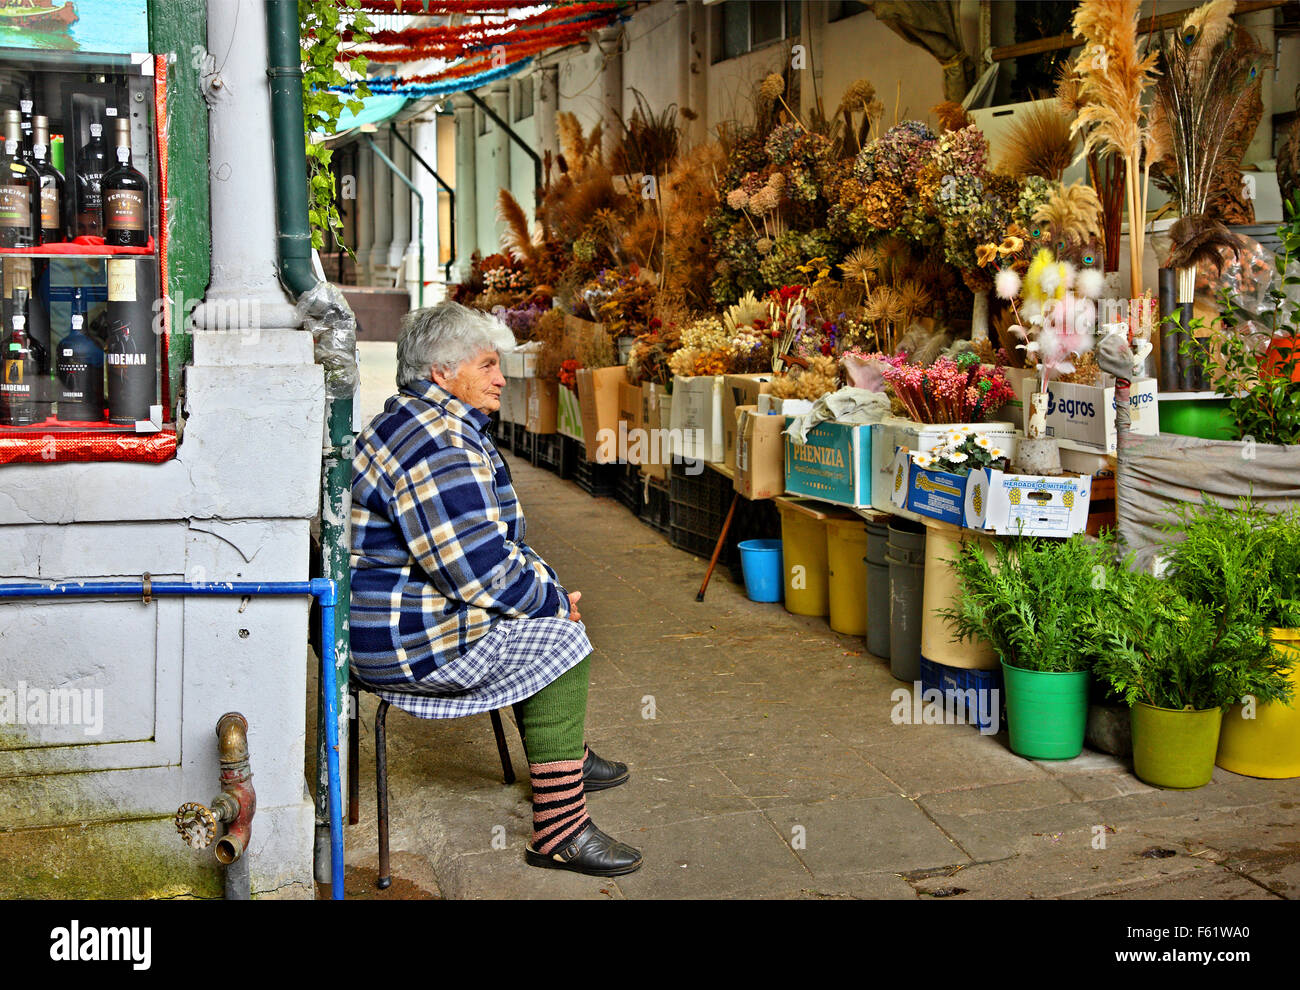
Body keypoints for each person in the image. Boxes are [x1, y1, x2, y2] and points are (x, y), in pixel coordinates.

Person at [349, 301, 642, 877]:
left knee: (538, 612)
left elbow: (488, 551)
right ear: (442, 372)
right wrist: (556, 604)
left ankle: (565, 758)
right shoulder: (438, 445)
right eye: (486, 365)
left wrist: (545, 589)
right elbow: (480, 571)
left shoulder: (410, 419)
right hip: (408, 643)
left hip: (387, 622)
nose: (501, 378)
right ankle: (560, 831)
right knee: (562, 641)